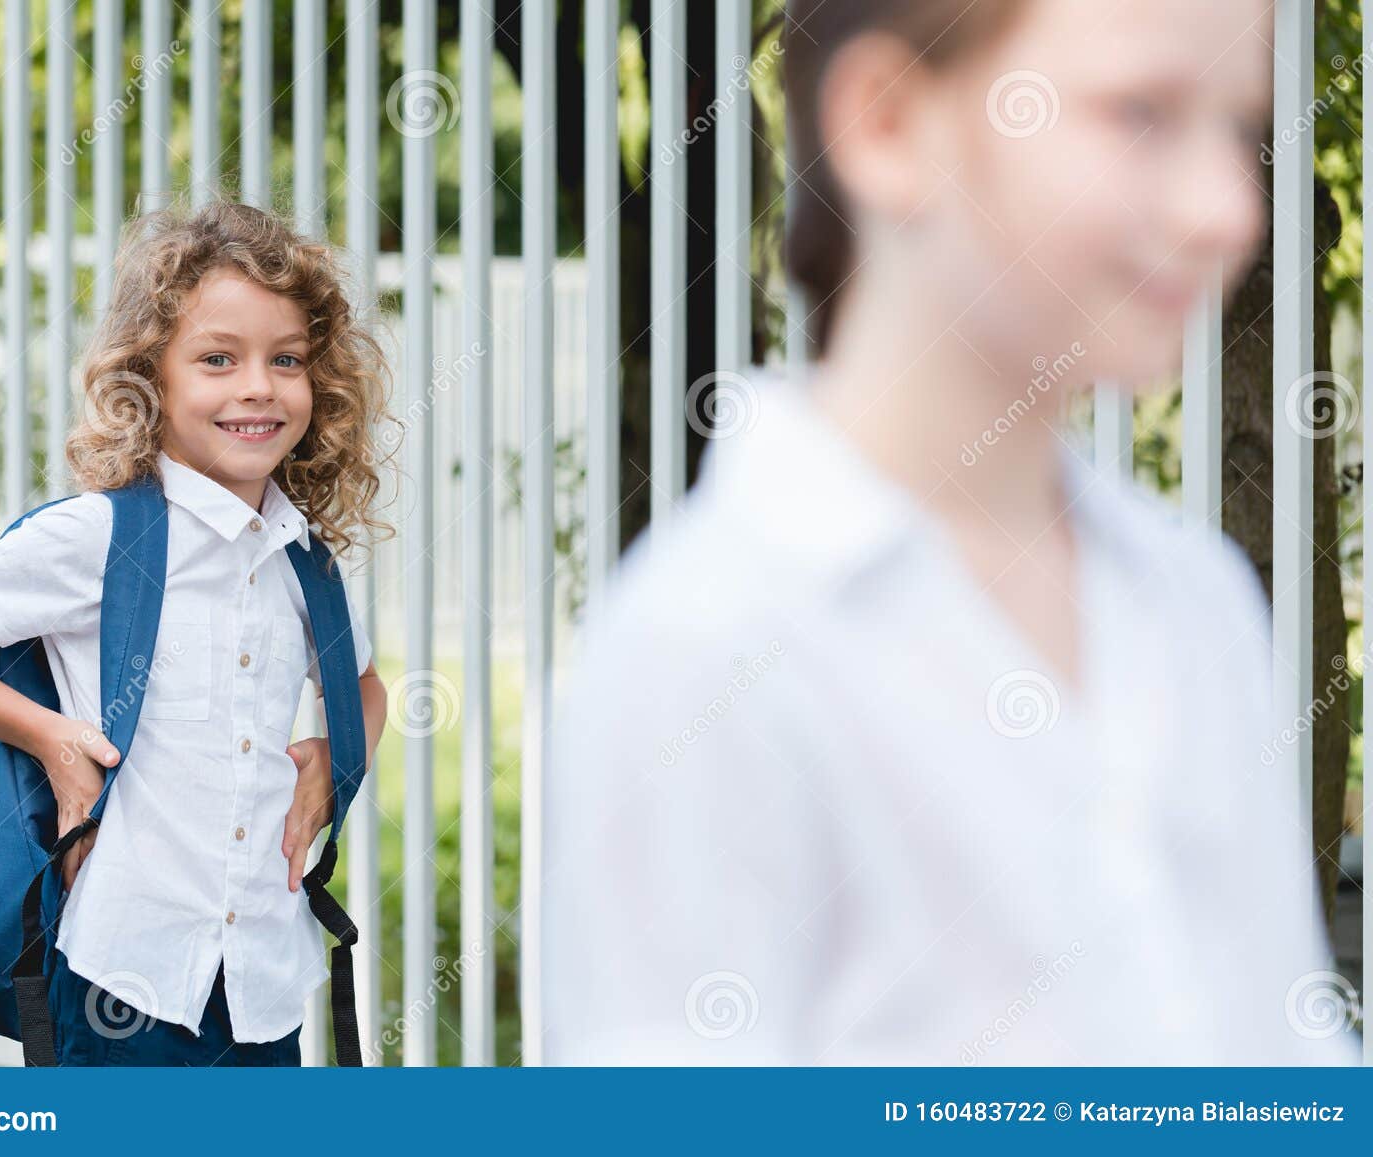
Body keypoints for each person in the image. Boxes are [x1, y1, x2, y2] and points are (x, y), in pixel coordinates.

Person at [542, 0, 1360, 1064]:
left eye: (1239, 131)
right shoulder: (702, 653)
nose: (1226, 209)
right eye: (1141, 114)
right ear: (886, 123)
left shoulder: (1194, 599)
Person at [0, 199, 392, 1066]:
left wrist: (334, 759)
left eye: (285, 359)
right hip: (121, 981)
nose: (258, 385)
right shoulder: (103, 538)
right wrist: (51, 736)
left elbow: (363, 686)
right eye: (218, 359)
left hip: (260, 988)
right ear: (152, 378)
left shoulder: (303, 562)